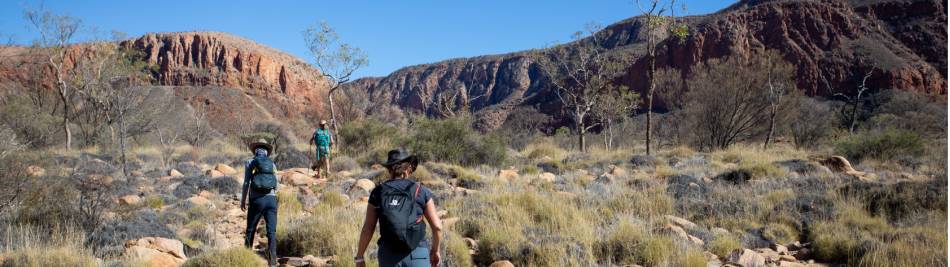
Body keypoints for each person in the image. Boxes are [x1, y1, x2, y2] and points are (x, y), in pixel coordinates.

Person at [355, 149, 443, 267]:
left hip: (388, 256)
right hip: (418, 254)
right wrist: (436, 251)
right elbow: (437, 227)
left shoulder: (378, 192)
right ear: (408, 168)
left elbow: (368, 229)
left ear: (389, 169)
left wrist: (360, 257)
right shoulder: (421, 191)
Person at [240, 138, 279, 267]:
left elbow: (246, 183)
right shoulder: (272, 164)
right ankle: (272, 263)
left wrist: (243, 200)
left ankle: (246, 260)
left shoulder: (250, 162)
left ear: (255, 150)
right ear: (267, 152)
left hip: (257, 201)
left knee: (250, 230)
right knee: (271, 233)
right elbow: (277, 185)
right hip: (271, 200)